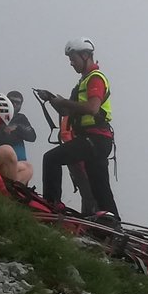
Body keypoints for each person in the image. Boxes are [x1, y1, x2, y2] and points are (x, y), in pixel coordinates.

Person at [37, 38, 118, 219]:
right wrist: (52, 100)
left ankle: (51, 205)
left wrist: (64, 101)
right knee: (100, 187)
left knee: (51, 159)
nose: (71, 63)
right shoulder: (84, 81)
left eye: (73, 58)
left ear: (85, 55)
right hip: (98, 140)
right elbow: (70, 110)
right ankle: (112, 222)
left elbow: (92, 108)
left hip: (95, 138)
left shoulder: (95, 78)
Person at [0, 89, 38, 165]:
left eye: (17, 103)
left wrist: (17, 128)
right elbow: (0, 137)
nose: (14, 104)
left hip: (19, 159)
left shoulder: (21, 118)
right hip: (2, 156)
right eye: (12, 101)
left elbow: (32, 137)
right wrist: (5, 130)